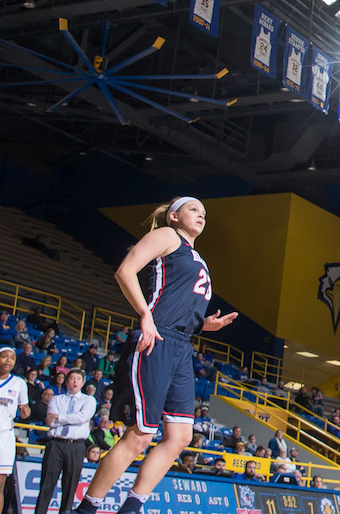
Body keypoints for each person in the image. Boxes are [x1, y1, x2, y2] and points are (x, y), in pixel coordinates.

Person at [69, 196, 237, 514]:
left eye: (204, 212)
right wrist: (145, 315)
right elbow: (125, 271)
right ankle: (87, 509)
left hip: (183, 345)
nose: (201, 215)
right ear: (174, 216)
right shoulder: (166, 236)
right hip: (156, 338)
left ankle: (132, 507)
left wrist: (204, 324)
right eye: (193, 209)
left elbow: (178, 301)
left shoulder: (196, 256)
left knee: (180, 435)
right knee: (141, 434)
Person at [36, 368, 98, 514]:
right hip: (56, 444)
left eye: (78, 379)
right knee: (46, 485)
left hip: (76, 446)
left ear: (83, 383)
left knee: (70, 487)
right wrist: (62, 418)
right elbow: (50, 421)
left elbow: (82, 418)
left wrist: (59, 417)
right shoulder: (56, 399)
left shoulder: (89, 400)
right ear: (66, 381)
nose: (75, 381)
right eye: (72, 378)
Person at [0, 346, 30, 514]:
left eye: (12, 358)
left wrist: (25, 412)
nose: (8, 360)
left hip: (3, 437)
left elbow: (25, 411)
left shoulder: (19, 383)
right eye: (4, 357)